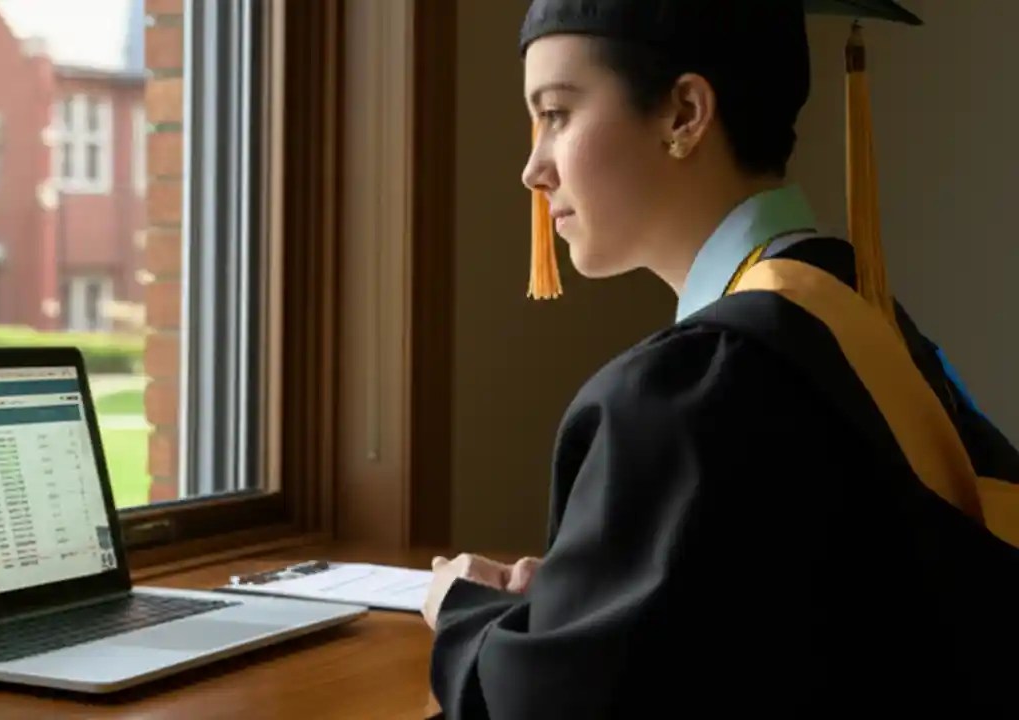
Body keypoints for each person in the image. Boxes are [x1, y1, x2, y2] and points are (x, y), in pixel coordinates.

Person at [422, 0, 1019, 717]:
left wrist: (463, 611)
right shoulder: (846, 303)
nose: (532, 169)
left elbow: (549, 706)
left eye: (556, 114)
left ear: (684, 114)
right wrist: (595, 588)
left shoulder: (701, 383)